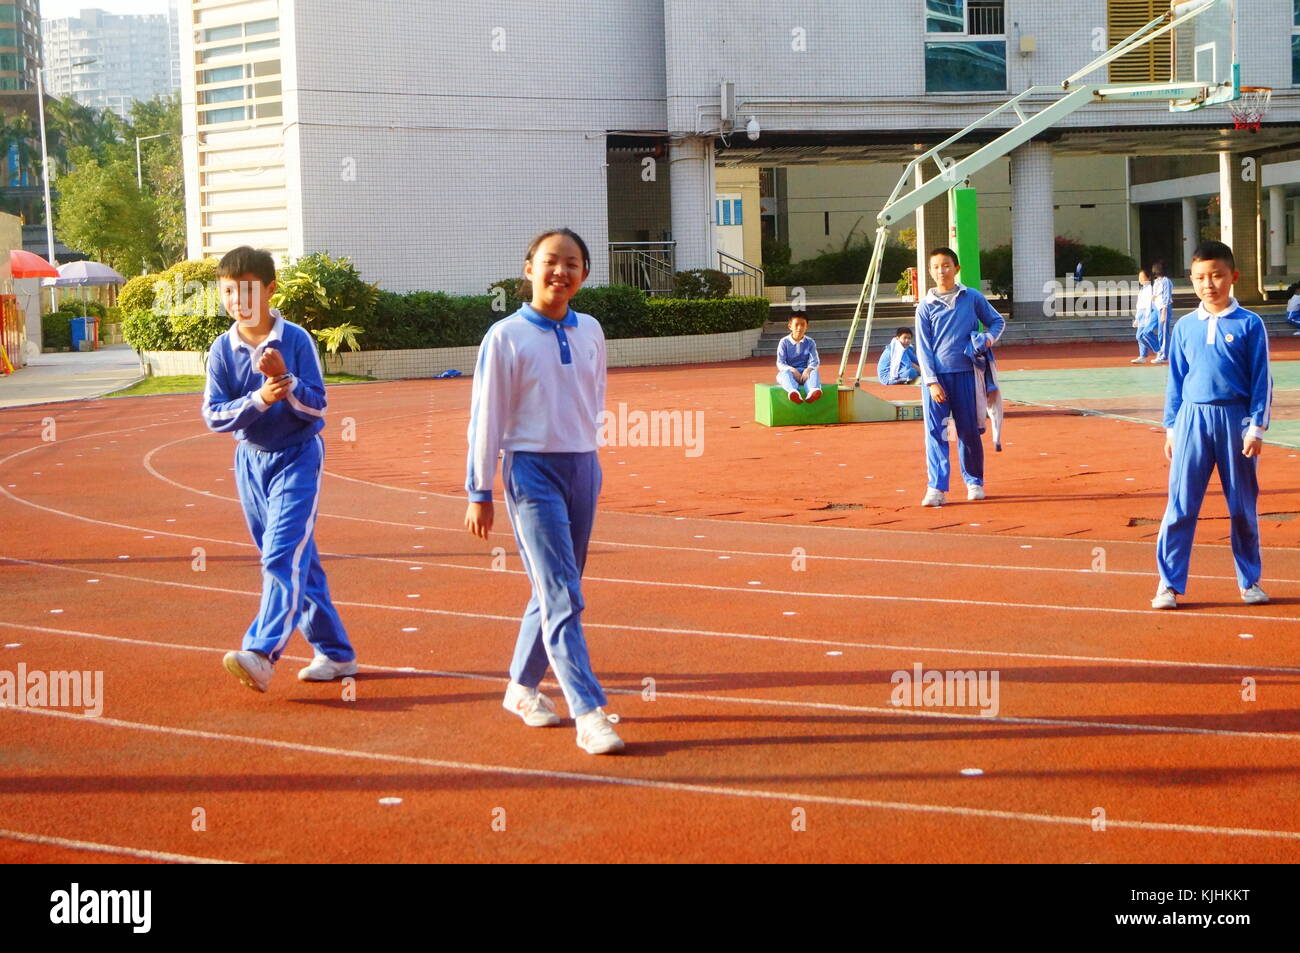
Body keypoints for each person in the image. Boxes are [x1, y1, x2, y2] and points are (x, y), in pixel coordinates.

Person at [464, 228, 624, 755]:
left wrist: (587, 452)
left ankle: (520, 686)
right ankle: (588, 711)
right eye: (551, 261)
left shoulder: (591, 330)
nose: (561, 272)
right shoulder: (505, 336)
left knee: (556, 589)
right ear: (528, 268)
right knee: (562, 593)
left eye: (572, 263)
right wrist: (479, 489)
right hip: (531, 472)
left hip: (583, 467)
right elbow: (486, 416)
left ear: (584, 274)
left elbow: (593, 394)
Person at [203, 246, 357, 691]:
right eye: (229, 291)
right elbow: (213, 415)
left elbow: (317, 407)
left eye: (247, 290)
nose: (238, 300)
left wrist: (285, 380)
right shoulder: (222, 350)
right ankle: (336, 652)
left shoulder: (297, 340)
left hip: (297, 456)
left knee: (280, 554)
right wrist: (258, 399)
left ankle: (262, 651)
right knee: (298, 561)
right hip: (250, 462)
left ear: (270, 290)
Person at [1152, 240, 1273, 610]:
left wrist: (1256, 428)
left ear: (1233, 277)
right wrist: (1171, 427)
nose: (1210, 284)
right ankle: (1169, 583)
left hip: (1235, 421)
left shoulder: (1250, 324)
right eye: (1202, 277)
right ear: (1192, 279)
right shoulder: (1185, 326)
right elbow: (1175, 379)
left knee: (1241, 505)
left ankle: (1249, 580)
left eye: (1217, 276)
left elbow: (1262, 381)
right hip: (1191, 419)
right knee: (1181, 505)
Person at [914, 247, 1006, 506]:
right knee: (936, 433)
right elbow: (923, 347)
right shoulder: (925, 306)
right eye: (935, 267)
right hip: (937, 381)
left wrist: (987, 339)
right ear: (930, 272)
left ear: (956, 268)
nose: (941, 271)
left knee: (968, 431)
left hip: (968, 374)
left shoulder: (972, 297)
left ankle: (974, 481)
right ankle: (936, 488)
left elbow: (997, 322)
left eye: (946, 265)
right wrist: (931, 381)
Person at [775, 314, 822, 403]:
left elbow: (814, 361)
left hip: (805, 374)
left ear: (807, 327)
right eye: (796, 324)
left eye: (802, 324)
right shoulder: (784, 342)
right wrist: (792, 370)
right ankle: (794, 392)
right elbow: (780, 362)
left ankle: (812, 391)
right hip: (790, 373)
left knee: (814, 372)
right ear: (790, 326)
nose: (799, 328)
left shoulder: (810, 342)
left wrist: (808, 370)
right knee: (784, 375)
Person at [1131, 269, 1160, 364]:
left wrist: (1147, 316)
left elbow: (1149, 304)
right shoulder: (1142, 289)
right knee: (1139, 336)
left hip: (1146, 313)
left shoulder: (1150, 289)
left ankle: (1158, 349)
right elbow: (1139, 305)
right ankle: (1143, 356)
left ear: (1148, 278)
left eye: (1142, 277)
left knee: (1143, 334)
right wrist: (1136, 319)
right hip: (1140, 313)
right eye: (1139, 278)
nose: (1140, 279)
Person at [1149, 260, 1173, 364]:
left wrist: (1164, 311)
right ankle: (1161, 352)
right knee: (1159, 332)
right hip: (1157, 308)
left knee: (1163, 332)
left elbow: (1167, 296)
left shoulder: (1165, 281)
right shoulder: (1157, 282)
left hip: (1164, 309)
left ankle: (1164, 355)